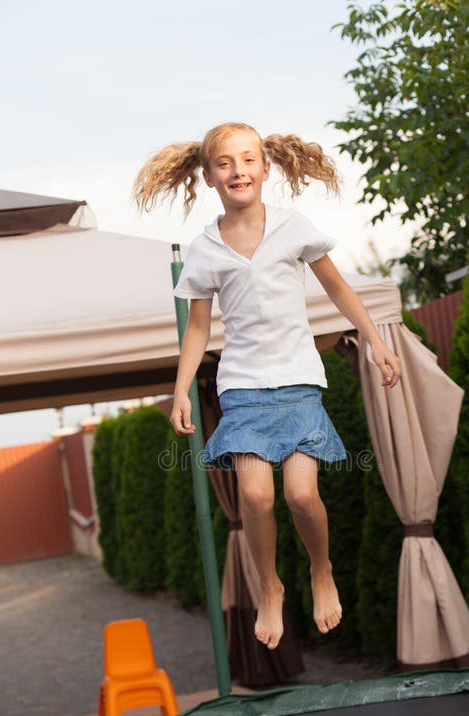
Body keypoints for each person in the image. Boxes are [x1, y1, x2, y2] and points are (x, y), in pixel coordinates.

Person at [133, 122, 401, 651]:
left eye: (248, 160)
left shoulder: (292, 227)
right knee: (255, 496)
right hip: (244, 390)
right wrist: (182, 389)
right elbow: (198, 328)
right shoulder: (205, 248)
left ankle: (320, 569)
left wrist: (374, 340)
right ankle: (270, 586)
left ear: (266, 168)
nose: (239, 170)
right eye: (226, 163)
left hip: (299, 382)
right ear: (208, 176)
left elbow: (339, 288)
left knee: (301, 496)